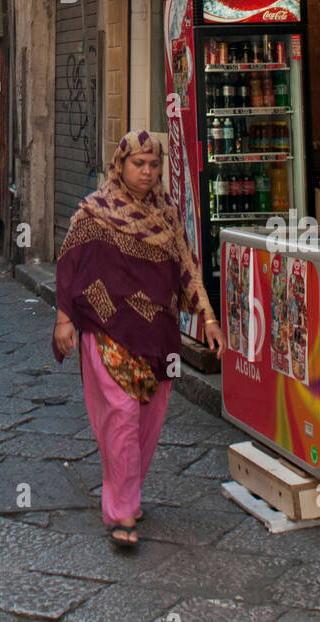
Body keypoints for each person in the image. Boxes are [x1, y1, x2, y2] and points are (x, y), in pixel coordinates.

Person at [53, 131, 226, 549]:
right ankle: (122, 511)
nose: (146, 173)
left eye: (153, 165)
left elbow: (187, 266)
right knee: (122, 417)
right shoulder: (94, 212)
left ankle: (128, 492)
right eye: (138, 164)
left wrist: (209, 317)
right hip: (108, 328)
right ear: (120, 165)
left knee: (148, 423)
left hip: (157, 333)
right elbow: (68, 263)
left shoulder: (167, 213)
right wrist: (63, 319)